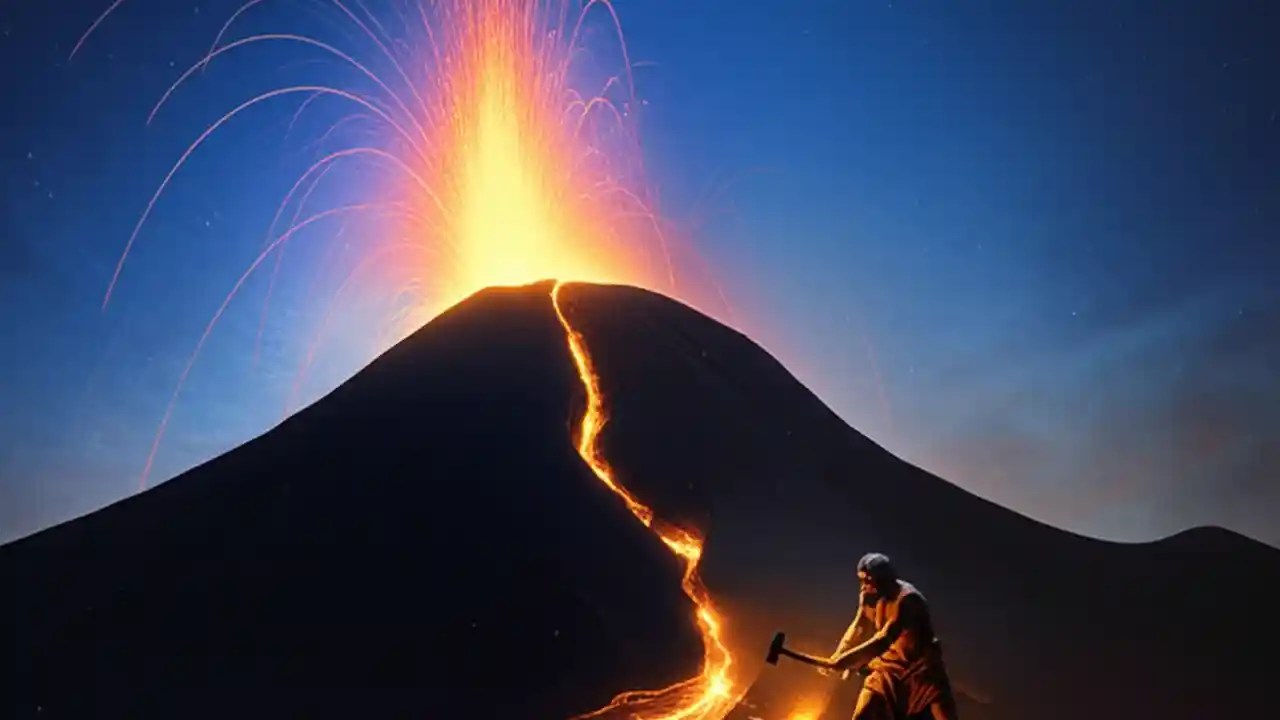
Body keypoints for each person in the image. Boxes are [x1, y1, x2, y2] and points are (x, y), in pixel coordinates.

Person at [792, 553, 959, 720]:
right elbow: (859, 626)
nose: (864, 586)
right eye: (862, 580)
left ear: (884, 579)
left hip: (921, 671)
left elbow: (884, 640)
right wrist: (838, 654)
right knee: (862, 715)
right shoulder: (869, 595)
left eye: (869, 581)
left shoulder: (908, 600)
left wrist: (842, 662)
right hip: (888, 669)